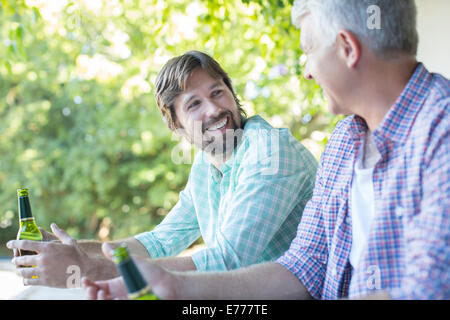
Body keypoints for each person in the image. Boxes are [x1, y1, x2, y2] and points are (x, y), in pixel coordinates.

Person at [83, 0, 449, 300]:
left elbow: (425, 291)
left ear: (348, 48)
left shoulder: (441, 133)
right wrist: (175, 286)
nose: (307, 71)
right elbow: (302, 266)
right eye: (193, 105)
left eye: (308, 50)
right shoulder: (344, 143)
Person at [7, 51, 318, 288]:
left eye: (217, 92)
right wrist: (68, 251)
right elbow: (158, 242)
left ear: (232, 94)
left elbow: (227, 260)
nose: (213, 110)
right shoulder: (207, 165)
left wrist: (89, 271)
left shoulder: (268, 151)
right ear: (177, 126)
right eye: (194, 104)